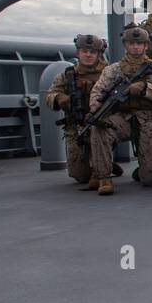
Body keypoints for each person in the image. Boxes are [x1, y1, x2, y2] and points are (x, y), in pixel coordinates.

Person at [87, 26, 152, 195]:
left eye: (139, 43)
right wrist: (96, 111)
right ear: (125, 45)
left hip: (151, 119)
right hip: (123, 117)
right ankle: (104, 177)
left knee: (151, 180)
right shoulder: (113, 70)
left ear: (146, 45)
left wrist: (145, 89)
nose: (135, 47)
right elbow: (97, 93)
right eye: (131, 43)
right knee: (99, 127)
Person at [44, 33, 110, 190]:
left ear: (99, 54)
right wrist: (60, 98)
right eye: (84, 51)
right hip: (76, 125)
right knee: (79, 176)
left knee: (99, 140)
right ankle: (105, 164)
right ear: (77, 53)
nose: (88, 55)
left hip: (100, 123)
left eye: (92, 52)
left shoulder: (108, 73)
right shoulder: (67, 75)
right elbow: (50, 95)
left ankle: (103, 164)